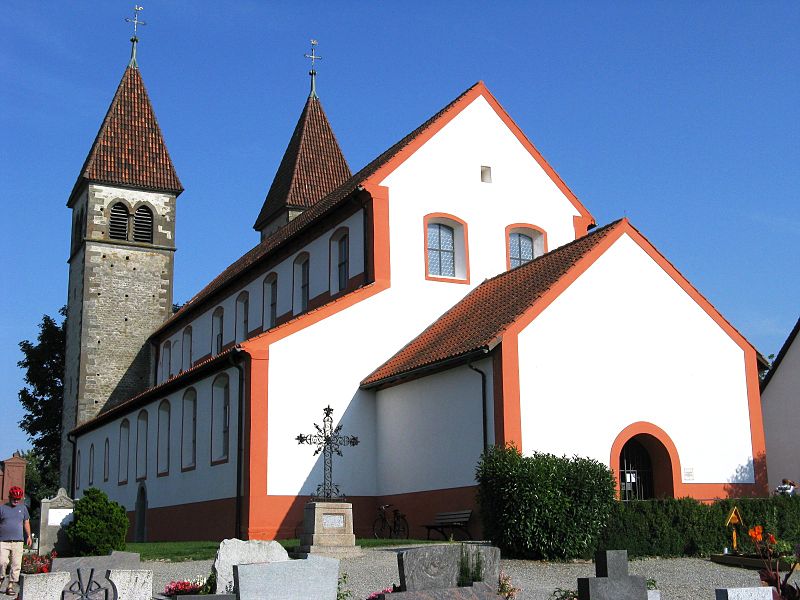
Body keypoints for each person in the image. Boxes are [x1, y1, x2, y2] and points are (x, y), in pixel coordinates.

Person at [0, 487, 31, 596]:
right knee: (2, 561)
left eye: (18, 498)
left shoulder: (23, 508)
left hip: (18, 541)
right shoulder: (2, 508)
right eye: (14, 498)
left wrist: (29, 536)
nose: (16, 500)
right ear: (9, 497)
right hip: (3, 541)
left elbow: (26, 522)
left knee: (16, 564)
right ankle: (1, 577)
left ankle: (10, 586)